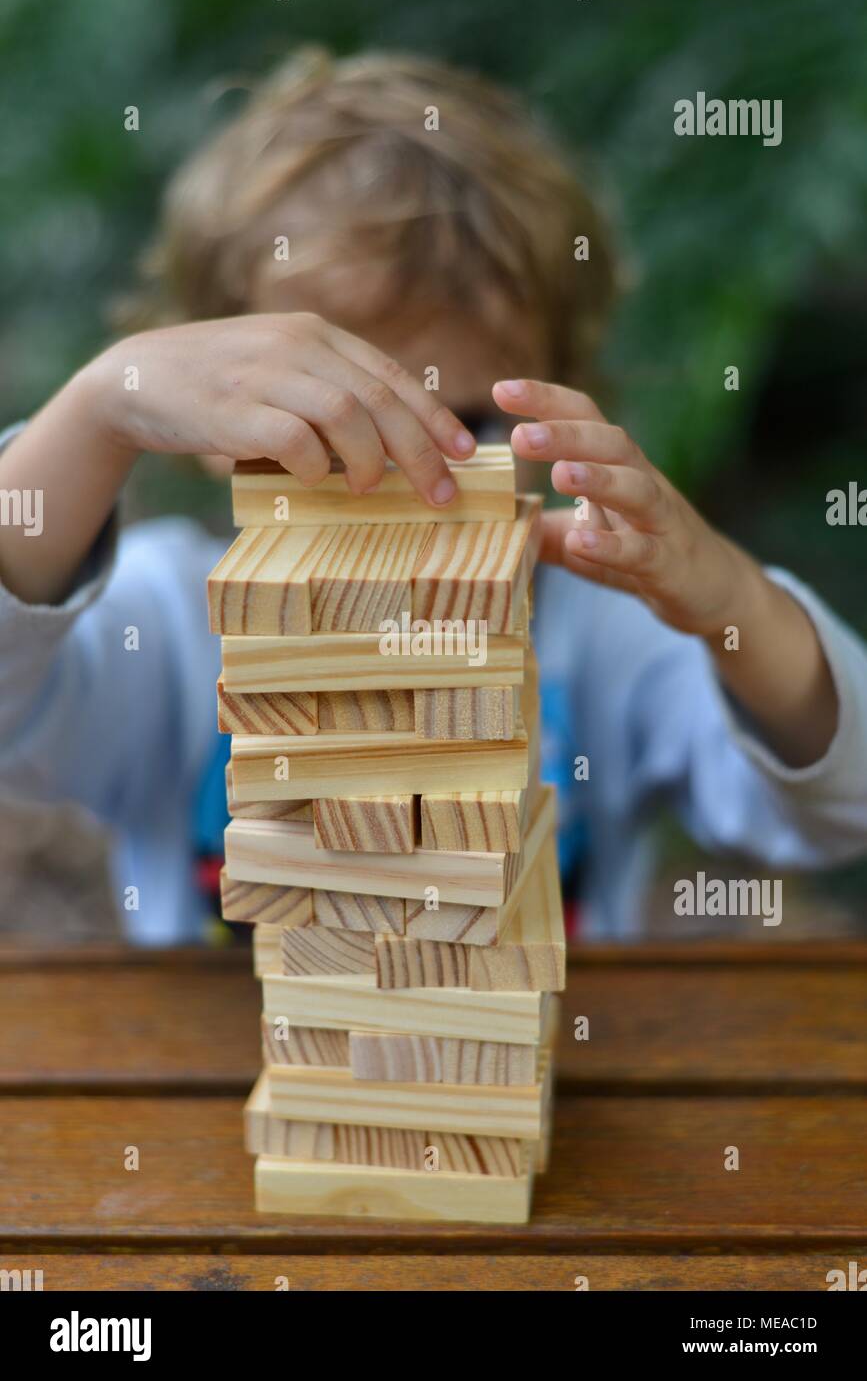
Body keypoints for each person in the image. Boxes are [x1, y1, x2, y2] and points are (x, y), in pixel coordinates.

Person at [1, 50, 865, 944]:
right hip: (227, 1071)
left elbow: (841, 805)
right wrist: (102, 407)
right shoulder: (173, 623)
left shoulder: (609, 632)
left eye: (461, 426)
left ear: (564, 396)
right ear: (206, 428)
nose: (398, 480)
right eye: (323, 427)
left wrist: (729, 601)